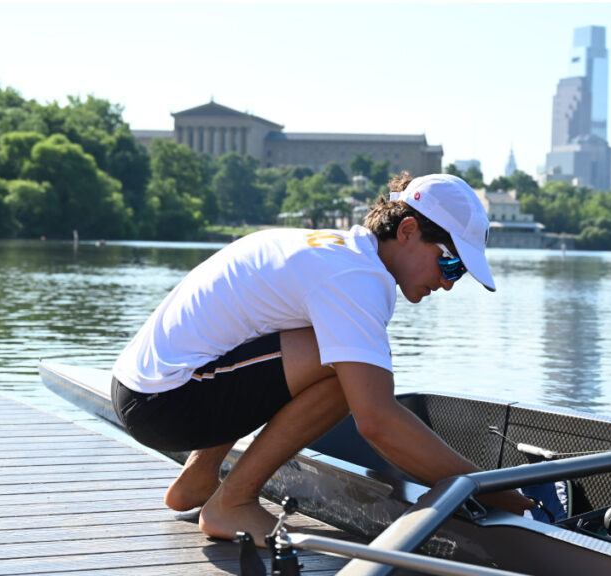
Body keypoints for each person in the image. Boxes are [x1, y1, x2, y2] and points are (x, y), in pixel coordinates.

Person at [111, 172, 533, 545]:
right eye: (451, 263)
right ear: (406, 230)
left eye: (458, 273)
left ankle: (198, 480)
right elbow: (377, 423)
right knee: (346, 373)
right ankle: (232, 501)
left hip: (146, 387)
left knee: (348, 359)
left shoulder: (341, 252)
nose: (448, 282)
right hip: (163, 403)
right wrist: (490, 490)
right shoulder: (357, 278)